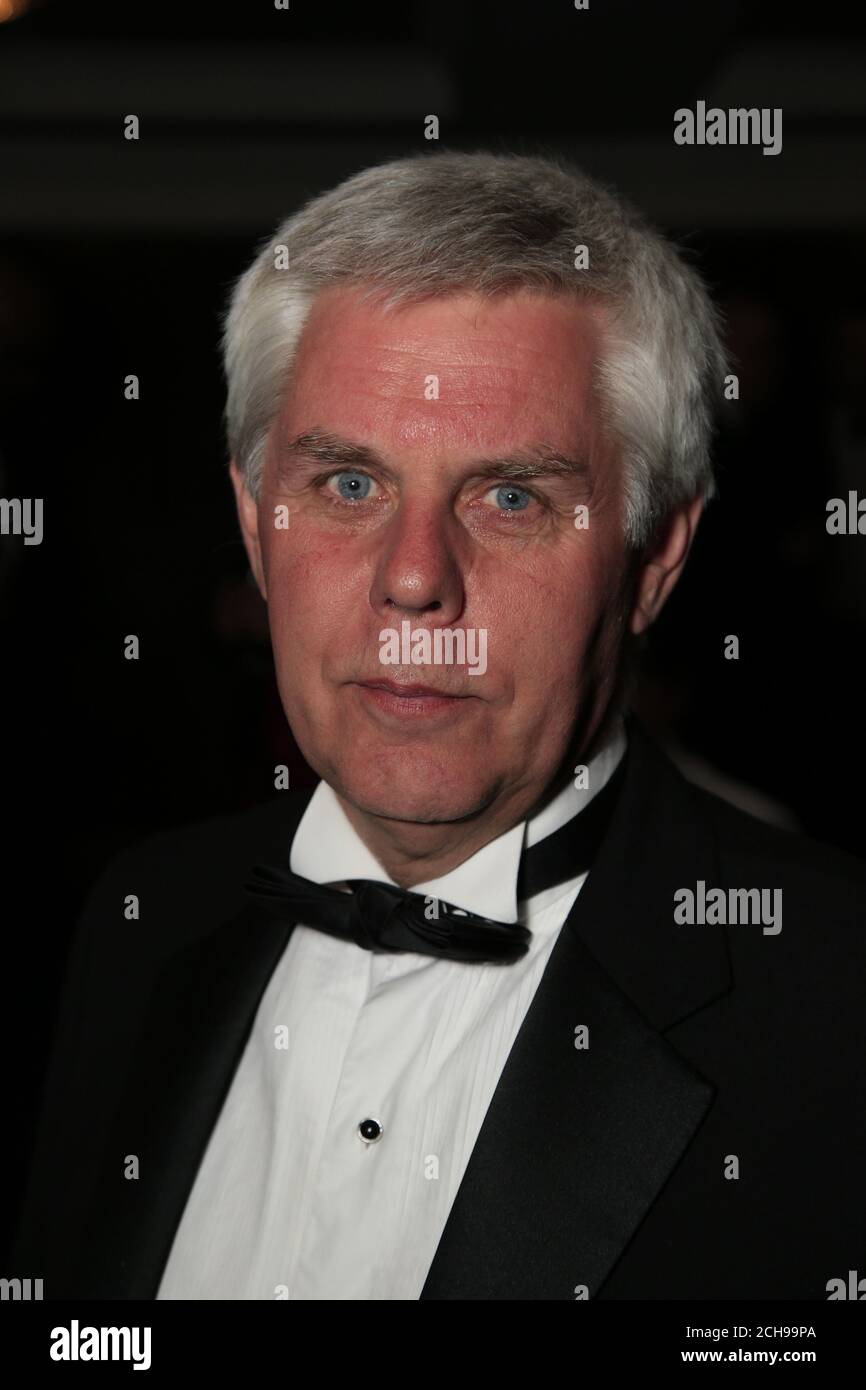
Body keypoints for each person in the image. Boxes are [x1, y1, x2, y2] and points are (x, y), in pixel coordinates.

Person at [11, 152, 865, 1300]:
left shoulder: (829, 1001)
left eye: (509, 497)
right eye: (348, 485)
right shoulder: (136, 921)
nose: (414, 580)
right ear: (254, 528)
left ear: (655, 558)